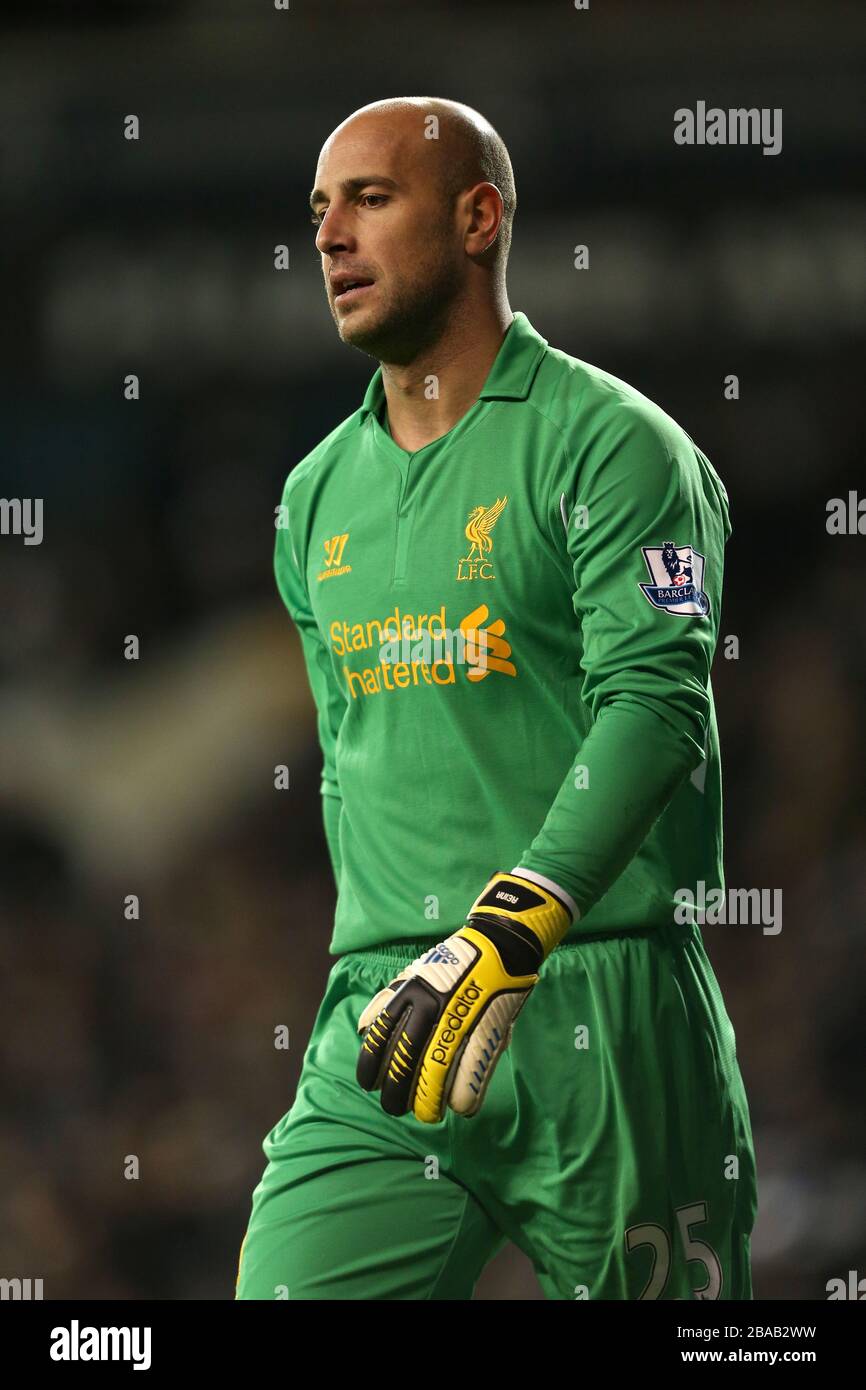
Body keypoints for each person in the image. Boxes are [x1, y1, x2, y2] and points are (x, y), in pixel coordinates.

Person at [235, 96, 757, 1301]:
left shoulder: (614, 446)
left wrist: (511, 927)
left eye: (369, 199)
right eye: (319, 211)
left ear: (479, 219)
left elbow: (656, 703)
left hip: (599, 997)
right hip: (387, 1012)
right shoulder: (311, 497)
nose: (328, 237)